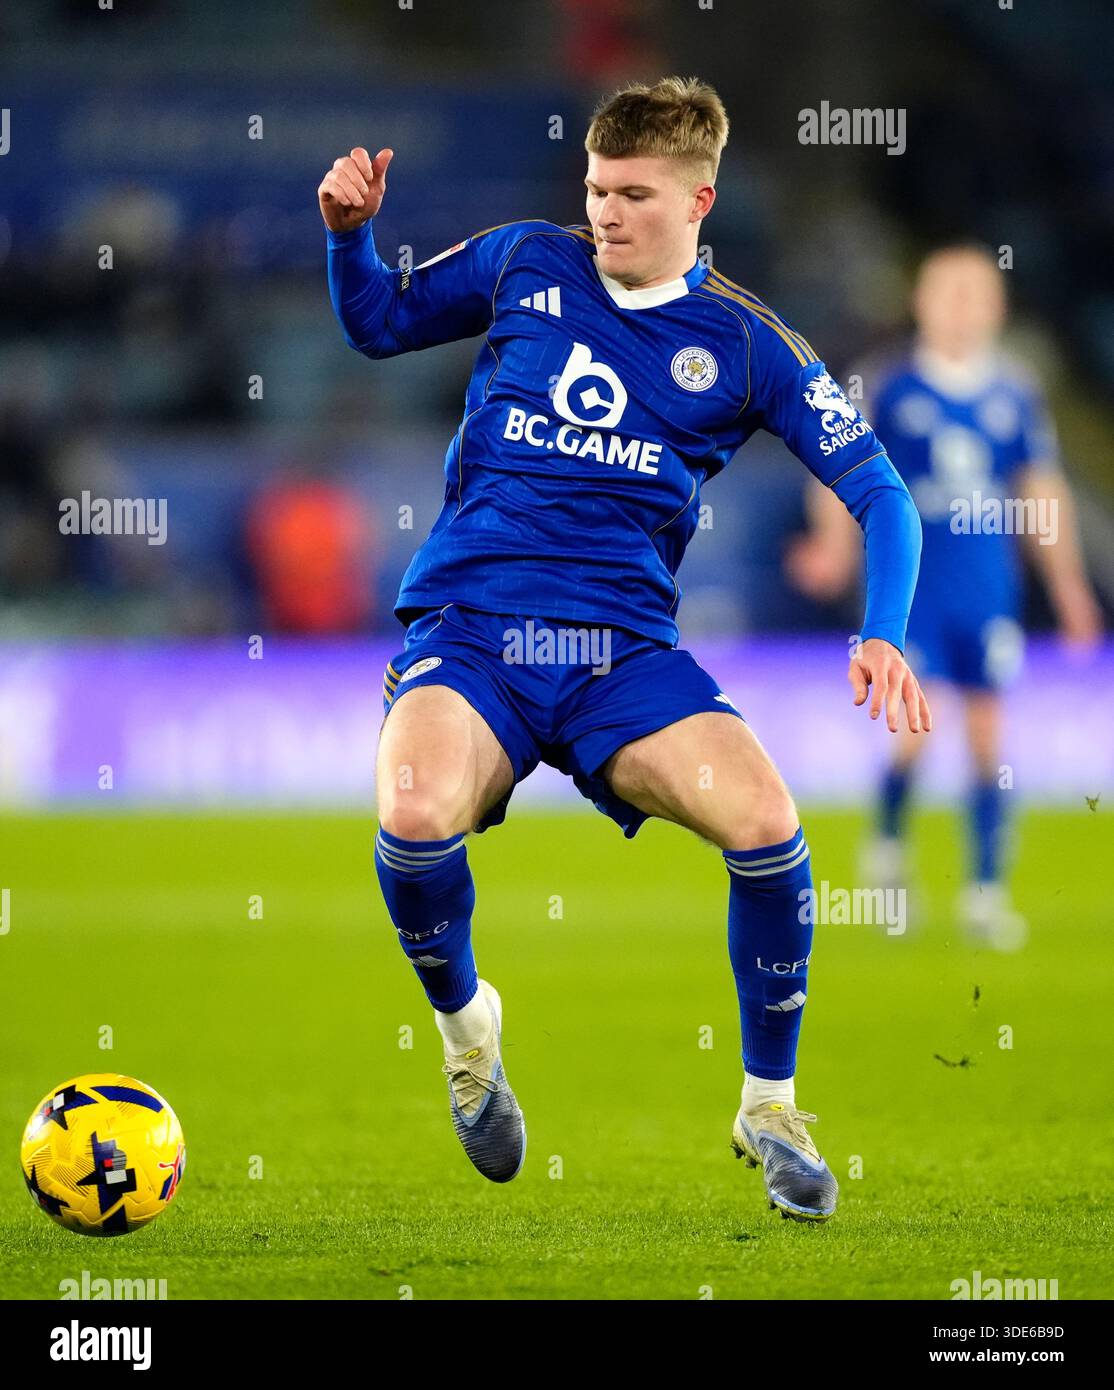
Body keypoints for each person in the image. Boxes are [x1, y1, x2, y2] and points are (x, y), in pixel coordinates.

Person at [318, 76, 929, 1223]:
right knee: (410, 812)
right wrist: (348, 240)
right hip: (474, 623)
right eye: (595, 188)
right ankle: (468, 1032)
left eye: (633, 194)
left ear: (699, 198)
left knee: (765, 822)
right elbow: (376, 323)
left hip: (621, 653)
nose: (604, 212)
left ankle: (768, 1103)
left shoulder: (748, 346)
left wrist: (883, 631)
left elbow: (883, 495)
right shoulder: (520, 263)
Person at [787, 244, 1101, 950]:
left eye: (975, 294)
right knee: (913, 735)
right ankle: (891, 848)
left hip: (987, 588)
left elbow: (1040, 493)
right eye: (948, 292)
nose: (962, 308)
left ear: (996, 307)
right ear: (922, 303)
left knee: (990, 738)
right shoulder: (891, 388)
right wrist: (833, 548)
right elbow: (838, 470)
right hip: (915, 590)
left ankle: (985, 891)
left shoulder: (1014, 395)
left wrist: (1068, 585)